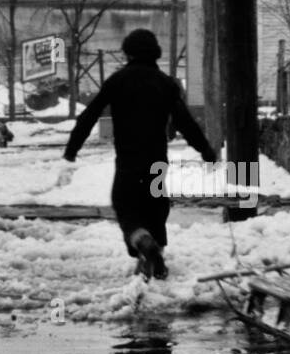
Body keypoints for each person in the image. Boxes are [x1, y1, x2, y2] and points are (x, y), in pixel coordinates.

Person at [62, 28, 217, 280]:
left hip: (128, 162)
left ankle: (143, 242)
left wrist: (72, 150)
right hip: (157, 162)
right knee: (156, 209)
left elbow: (89, 116)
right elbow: (185, 122)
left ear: (128, 53)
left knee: (126, 208)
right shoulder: (166, 84)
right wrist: (206, 150)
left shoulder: (118, 81)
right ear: (155, 53)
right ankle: (155, 257)